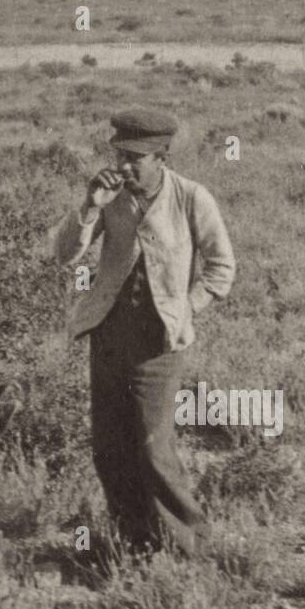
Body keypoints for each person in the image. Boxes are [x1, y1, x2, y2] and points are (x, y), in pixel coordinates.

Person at [52, 109, 236, 556]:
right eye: (119, 155)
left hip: (160, 343)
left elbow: (221, 268)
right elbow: (64, 256)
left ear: (162, 157)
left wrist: (185, 310)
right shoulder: (109, 198)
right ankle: (134, 541)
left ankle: (192, 547)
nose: (124, 166)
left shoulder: (192, 198)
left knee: (153, 448)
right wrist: (88, 208)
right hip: (110, 334)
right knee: (109, 447)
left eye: (136, 158)